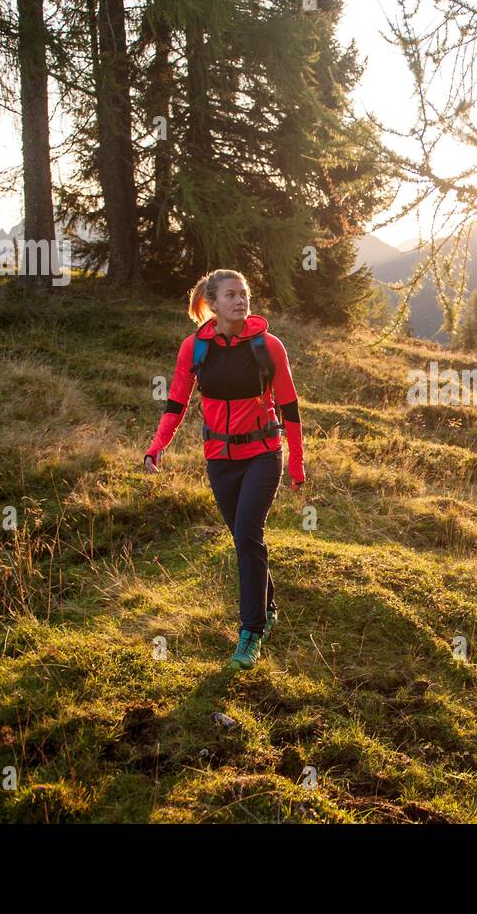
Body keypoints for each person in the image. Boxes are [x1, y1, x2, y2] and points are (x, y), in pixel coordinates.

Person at [143, 268, 305, 670]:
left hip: (263, 454)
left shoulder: (269, 347)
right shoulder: (194, 349)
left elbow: (290, 408)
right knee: (243, 538)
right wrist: (156, 446)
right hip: (219, 459)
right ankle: (266, 609)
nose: (240, 300)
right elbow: (176, 403)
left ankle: (250, 632)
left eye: (244, 294)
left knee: (248, 531)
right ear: (212, 304)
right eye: (231, 295)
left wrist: (297, 464)